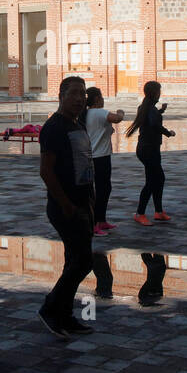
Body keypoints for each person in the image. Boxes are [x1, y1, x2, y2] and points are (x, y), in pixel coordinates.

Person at [36, 76, 96, 338]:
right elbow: (46, 172)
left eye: (83, 94)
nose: (80, 98)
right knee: (83, 262)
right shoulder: (54, 127)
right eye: (74, 93)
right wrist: (67, 205)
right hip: (65, 206)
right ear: (61, 95)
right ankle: (50, 308)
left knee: (74, 261)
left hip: (83, 203)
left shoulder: (78, 123)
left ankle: (65, 314)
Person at [125, 80, 175, 225]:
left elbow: (151, 118)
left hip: (148, 149)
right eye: (159, 91)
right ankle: (140, 213)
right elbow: (155, 125)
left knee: (157, 179)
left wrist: (161, 111)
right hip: (148, 150)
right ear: (154, 93)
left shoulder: (146, 106)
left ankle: (158, 211)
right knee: (154, 181)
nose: (160, 94)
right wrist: (169, 133)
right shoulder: (149, 108)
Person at [83, 87, 125, 235]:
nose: (103, 99)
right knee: (101, 190)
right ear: (96, 99)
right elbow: (118, 118)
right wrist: (121, 111)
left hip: (93, 157)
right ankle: (95, 224)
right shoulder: (99, 112)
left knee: (103, 189)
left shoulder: (85, 114)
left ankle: (101, 220)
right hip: (100, 157)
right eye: (101, 96)